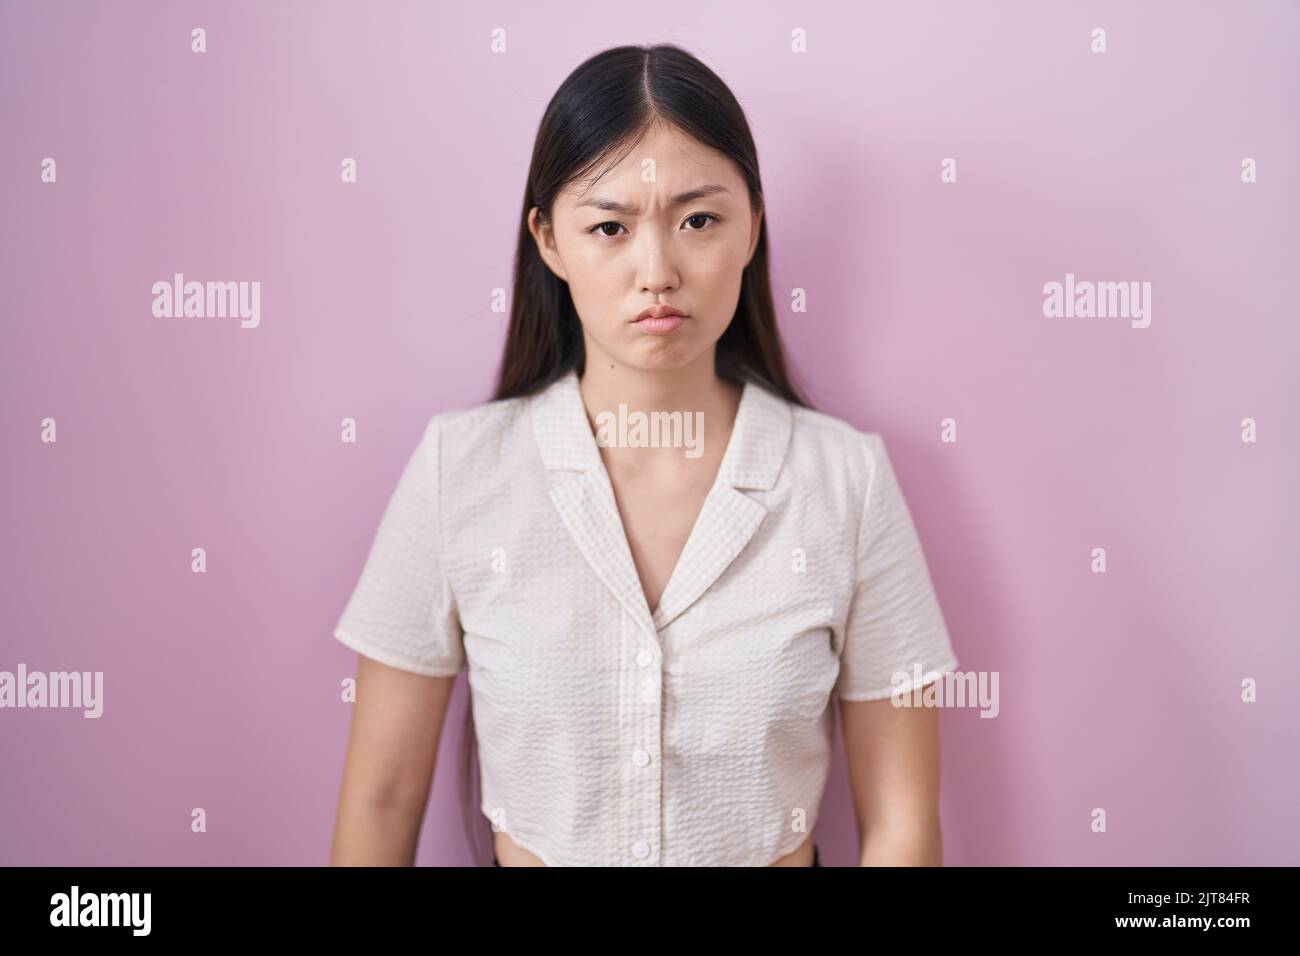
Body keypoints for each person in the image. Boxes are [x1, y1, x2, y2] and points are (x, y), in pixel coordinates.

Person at [329, 43, 958, 867]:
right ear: (549, 240)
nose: (656, 271)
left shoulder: (848, 482)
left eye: (699, 220)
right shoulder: (461, 472)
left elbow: (902, 822)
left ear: (752, 229)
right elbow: (380, 801)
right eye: (609, 227)